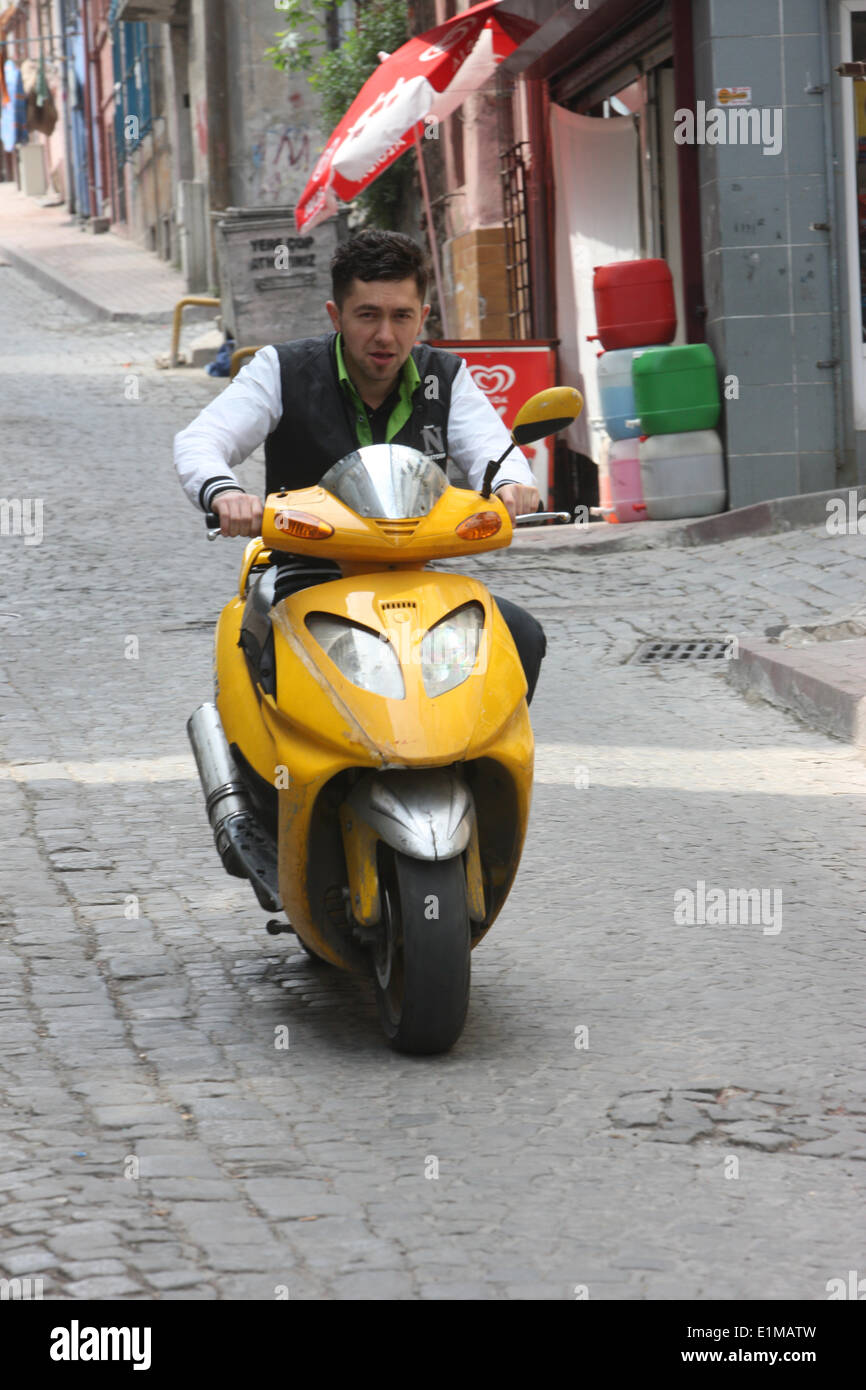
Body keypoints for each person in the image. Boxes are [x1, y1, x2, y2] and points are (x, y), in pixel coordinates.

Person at [174, 229, 546, 700]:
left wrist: (513, 483)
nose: (385, 335)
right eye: (367, 315)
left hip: (412, 578)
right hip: (305, 574)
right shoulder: (282, 370)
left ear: (422, 318)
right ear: (337, 315)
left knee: (520, 636)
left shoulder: (446, 377)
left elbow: (492, 448)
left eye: (401, 316)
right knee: (266, 668)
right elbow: (202, 440)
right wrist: (224, 492)